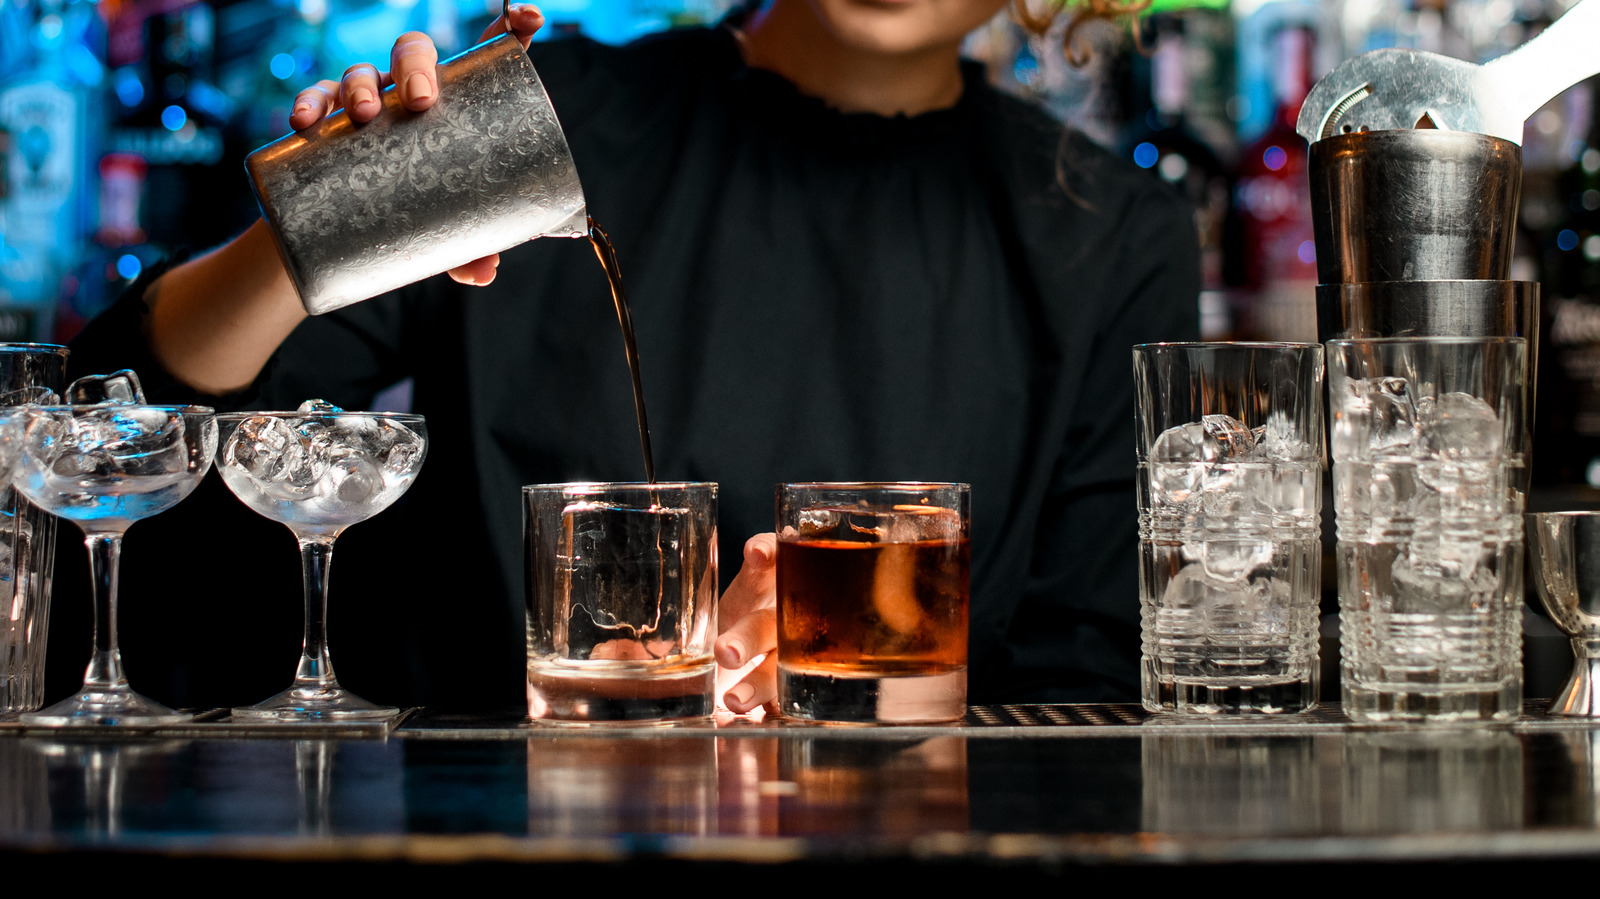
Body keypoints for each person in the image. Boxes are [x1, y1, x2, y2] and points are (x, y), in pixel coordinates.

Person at [63, 0, 1198, 713]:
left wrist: (837, 700)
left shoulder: (1105, 234)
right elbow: (143, 424)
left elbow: (1087, 687)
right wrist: (321, 212)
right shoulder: (550, 120)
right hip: (484, 833)